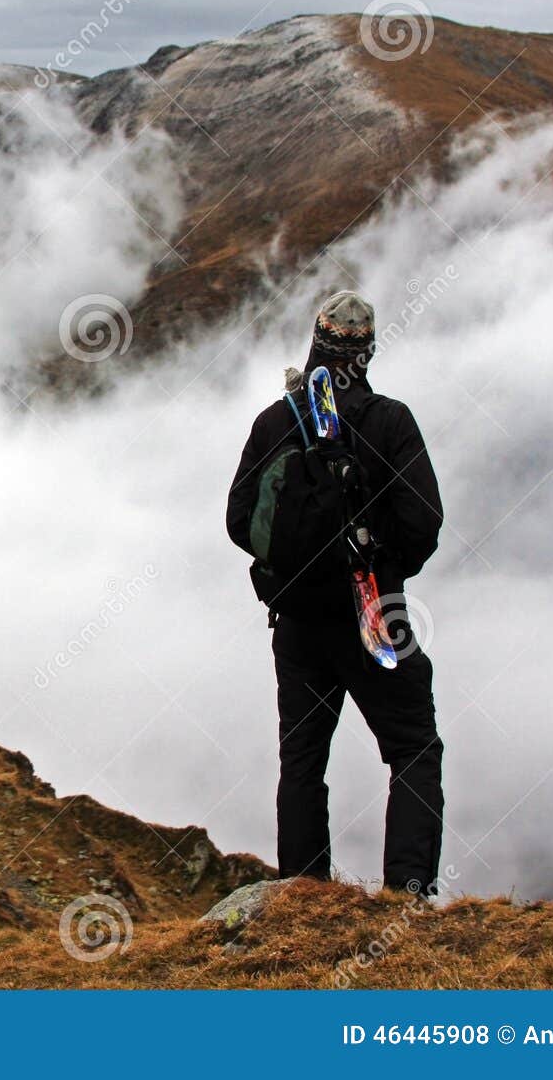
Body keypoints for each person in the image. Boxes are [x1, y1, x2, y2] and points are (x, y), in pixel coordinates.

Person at [225, 290, 445, 895]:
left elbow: (239, 521)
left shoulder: (276, 421)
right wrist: (386, 570)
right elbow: (424, 521)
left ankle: (303, 892)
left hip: (297, 624)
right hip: (375, 613)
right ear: (367, 352)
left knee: (302, 761)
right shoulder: (391, 422)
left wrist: (298, 569)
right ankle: (407, 890)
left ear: (315, 343)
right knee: (414, 749)